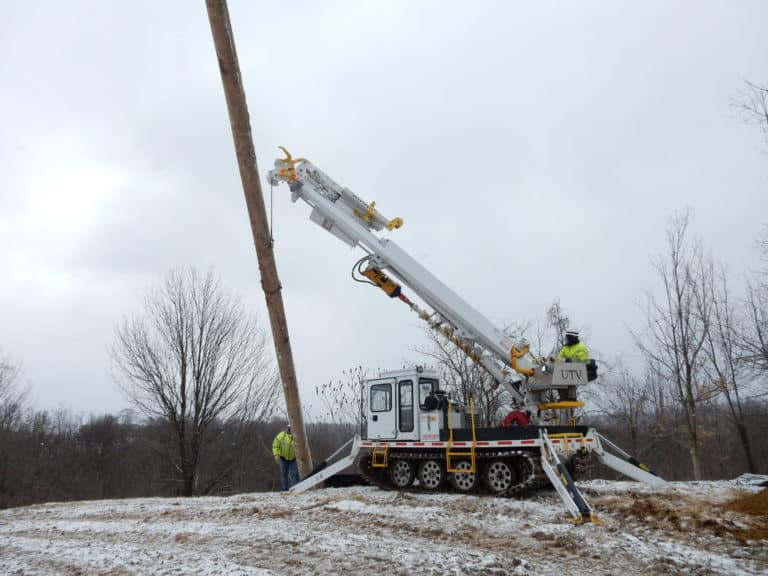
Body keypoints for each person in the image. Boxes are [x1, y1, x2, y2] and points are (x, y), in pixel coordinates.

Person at [272, 424, 298, 491]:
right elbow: (275, 445)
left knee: (294, 474)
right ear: (288, 428)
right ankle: (285, 489)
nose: (291, 430)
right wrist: (276, 454)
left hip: (293, 459)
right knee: (284, 475)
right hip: (283, 459)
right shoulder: (281, 435)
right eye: (290, 428)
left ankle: (295, 489)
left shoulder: (297, 437)